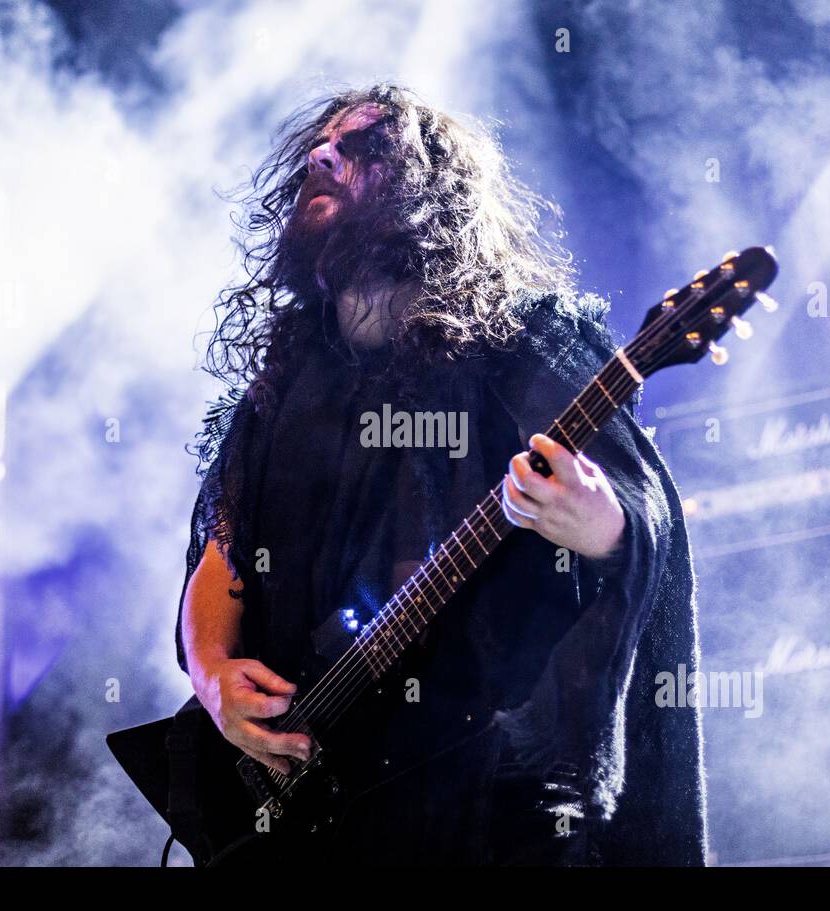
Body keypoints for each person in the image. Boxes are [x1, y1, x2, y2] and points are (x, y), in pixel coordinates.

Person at [175, 83, 707, 865]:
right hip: (322, 809)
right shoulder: (282, 389)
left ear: (430, 189)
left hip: (491, 801)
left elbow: (638, 509)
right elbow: (221, 551)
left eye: (360, 148)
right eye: (319, 146)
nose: (322, 155)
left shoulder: (524, 340)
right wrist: (216, 679)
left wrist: (593, 520)